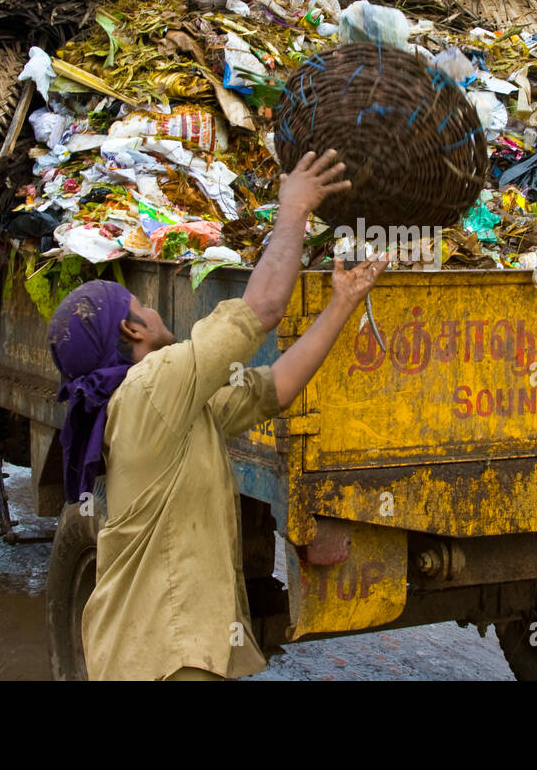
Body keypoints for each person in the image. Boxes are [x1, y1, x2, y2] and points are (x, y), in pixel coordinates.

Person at [48, 149, 388, 681]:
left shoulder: (165, 410)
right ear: (132, 332)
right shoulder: (150, 390)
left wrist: (341, 303)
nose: (154, 309)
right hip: (164, 661)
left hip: (149, 655)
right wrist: (294, 206)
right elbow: (262, 310)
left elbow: (275, 386)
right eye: (143, 304)